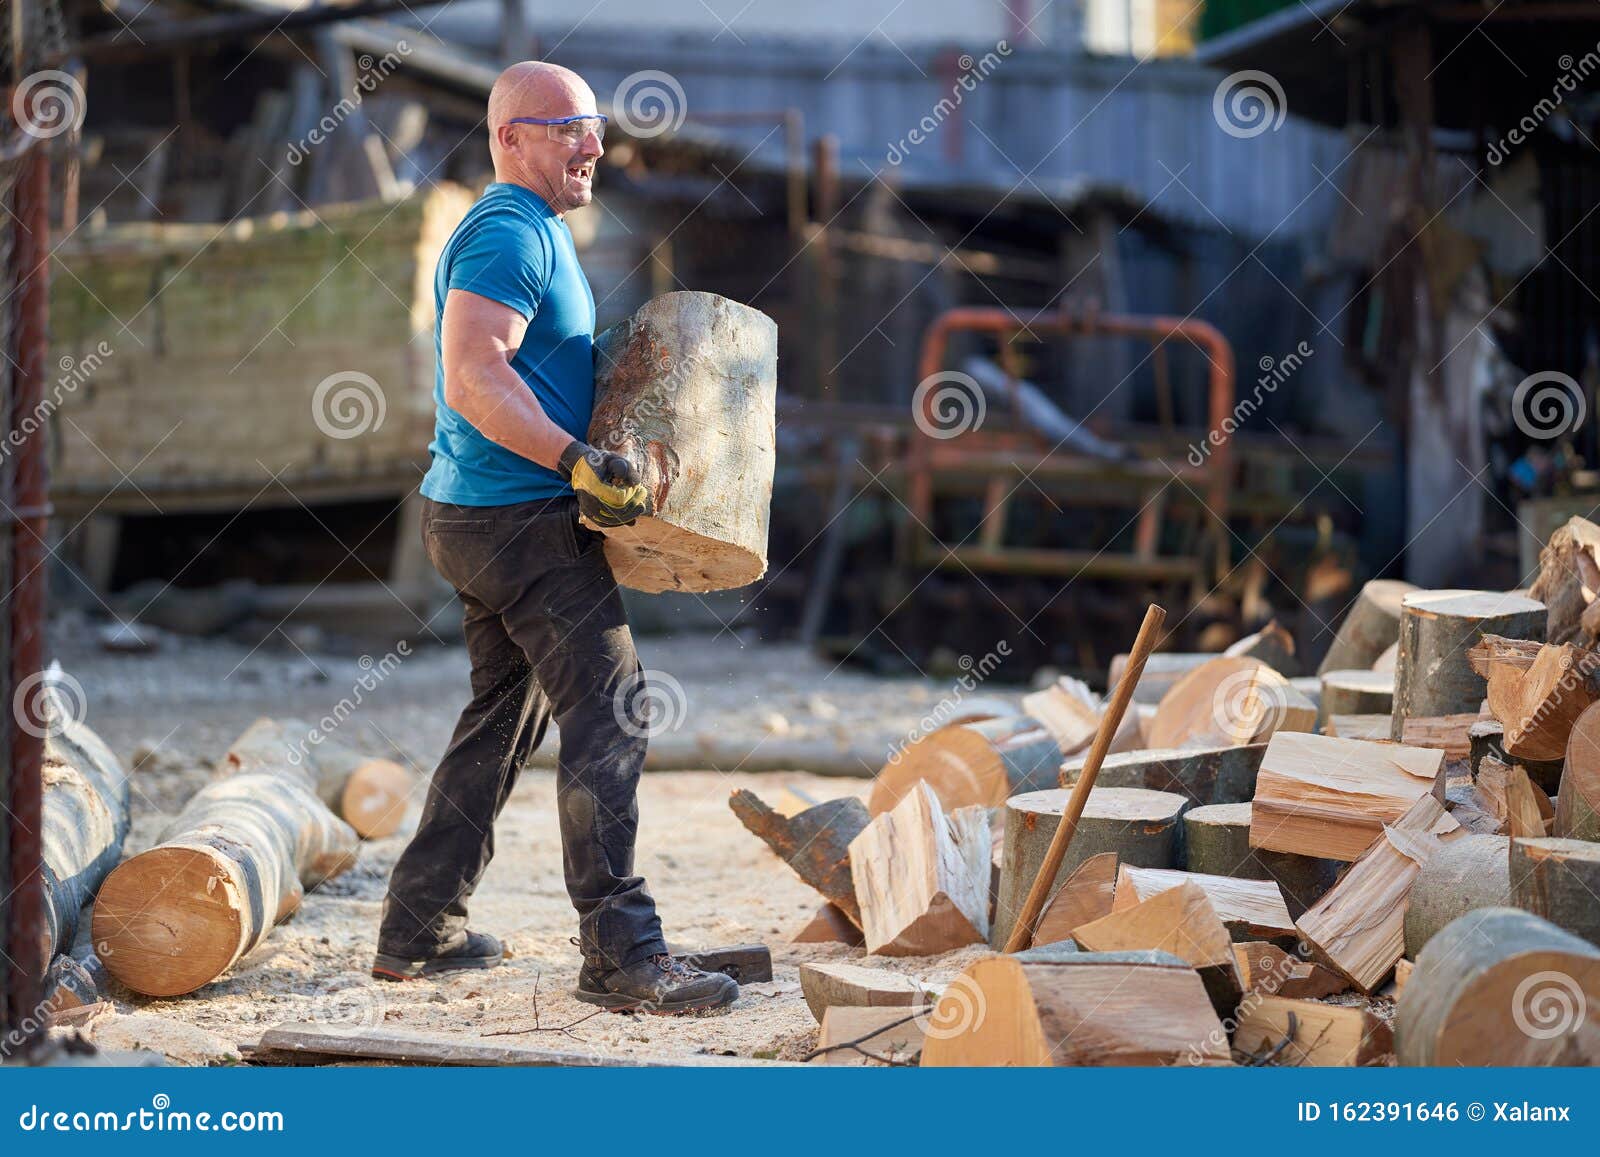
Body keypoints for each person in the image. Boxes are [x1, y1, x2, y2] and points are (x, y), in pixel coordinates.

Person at [371, 61, 737, 1014]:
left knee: (502, 718)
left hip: (480, 514)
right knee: (613, 712)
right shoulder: (506, 231)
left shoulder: (535, 229)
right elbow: (473, 373)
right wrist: (575, 459)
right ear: (511, 138)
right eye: (570, 126)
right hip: (518, 519)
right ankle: (622, 953)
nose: (595, 145)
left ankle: (418, 928)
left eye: (595, 127)